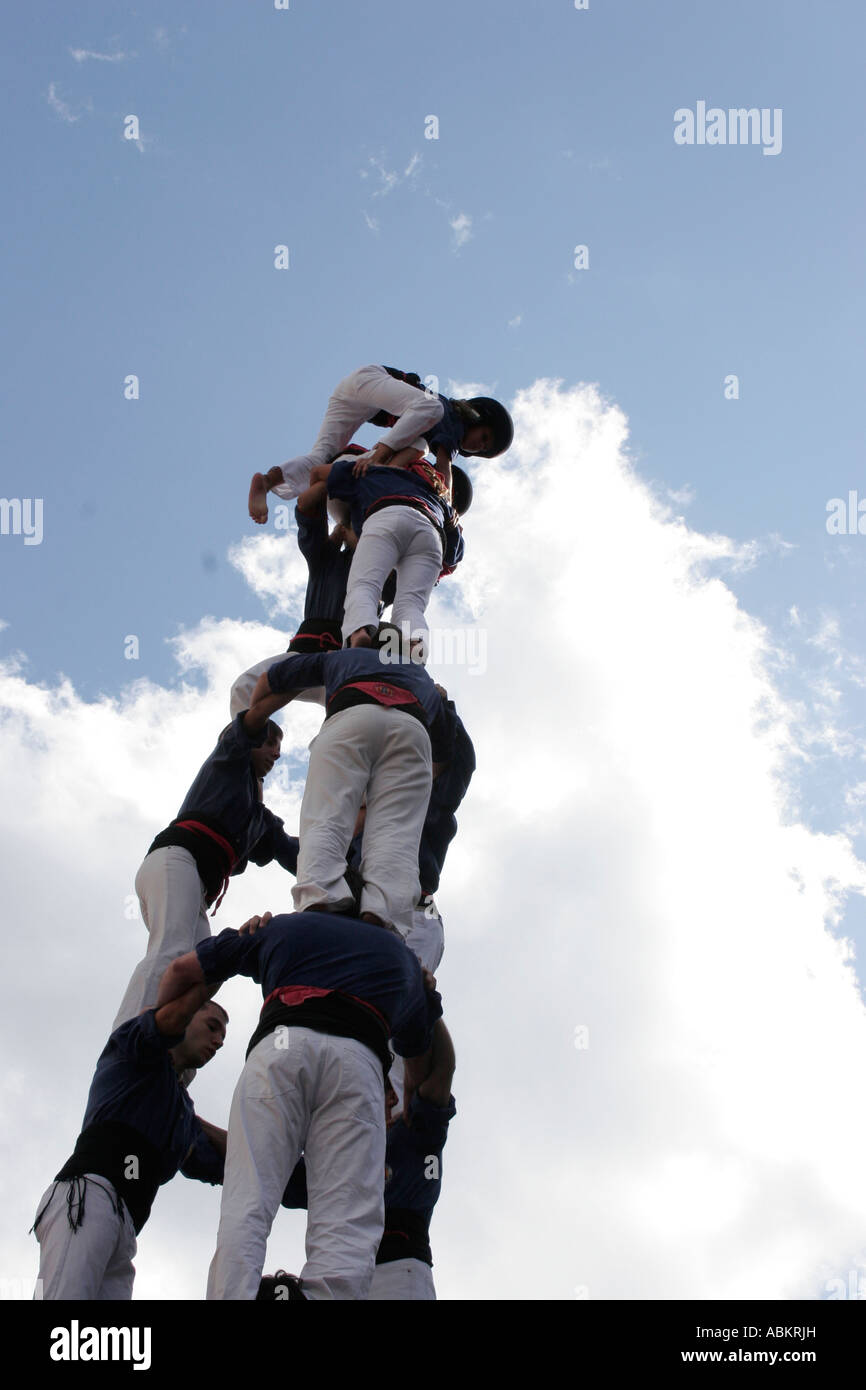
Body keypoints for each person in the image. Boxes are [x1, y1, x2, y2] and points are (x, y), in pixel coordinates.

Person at [156, 909, 443, 1299]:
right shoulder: (398, 955)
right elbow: (422, 1056)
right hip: (358, 1062)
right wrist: (407, 1097)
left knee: (248, 1200)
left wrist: (160, 1050)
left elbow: (179, 972)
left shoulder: (281, 927)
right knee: (346, 1225)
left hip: (279, 1046)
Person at [246, 630, 455, 937]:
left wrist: (251, 728)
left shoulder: (342, 657)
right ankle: (385, 917)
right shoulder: (421, 676)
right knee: (396, 832)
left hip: (351, 717)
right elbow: (444, 751)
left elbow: (269, 680)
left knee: (328, 815)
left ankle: (319, 898)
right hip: (412, 729)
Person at [32, 995, 228, 1300]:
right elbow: (156, 1028)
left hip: (125, 1228)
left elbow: (235, 1163)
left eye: (222, 1036)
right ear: (187, 1015)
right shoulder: (135, 1051)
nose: (218, 1041)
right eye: (212, 1026)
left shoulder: (179, 1116)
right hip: (91, 1197)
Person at [112, 711, 297, 1033]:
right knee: (173, 949)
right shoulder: (228, 761)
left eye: (278, 746)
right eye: (269, 742)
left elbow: (300, 855)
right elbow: (245, 727)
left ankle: (171, 1057)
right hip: (176, 859)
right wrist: (281, 687)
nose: (277, 753)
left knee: (202, 968)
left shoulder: (259, 821)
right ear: (250, 741)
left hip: (195, 885)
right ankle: (128, 1037)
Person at [230, 449, 395, 715]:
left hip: (347, 661)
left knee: (352, 719)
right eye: (354, 527)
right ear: (343, 528)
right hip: (305, 657)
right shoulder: (325, 559)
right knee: (244, 688)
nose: (362, 535)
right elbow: (306, 505)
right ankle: (252, 744)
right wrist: (337, 479)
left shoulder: (385, 566)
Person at [247, 364, 513, 522]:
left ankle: (267, 482)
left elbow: (424, 455)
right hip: (371, 382)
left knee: (321, 456)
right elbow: (444, 470)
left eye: (484, 449)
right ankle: (376, 458)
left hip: (355, 396)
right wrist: (448, 510)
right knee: (430, 413)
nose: (479, 446)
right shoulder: (453, 420)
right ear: (478, 418)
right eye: (484, 438)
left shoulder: (430, 435)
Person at [324, 448, 467, 652]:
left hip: (387, 519)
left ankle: (359, 632)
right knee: (411, 605)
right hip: (431, 537)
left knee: (365, 585)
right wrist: (452, 526)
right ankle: (414, 646)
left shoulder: (384, 473)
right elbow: (453, 557)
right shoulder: (442, 505)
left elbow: (326, 475)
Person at [368, 1019, 456, 1301]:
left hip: (398, 1270)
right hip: (342, 1272)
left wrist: (426, 1006)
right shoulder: (340, 1149)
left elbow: (444, 1068)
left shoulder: (415, 1130)